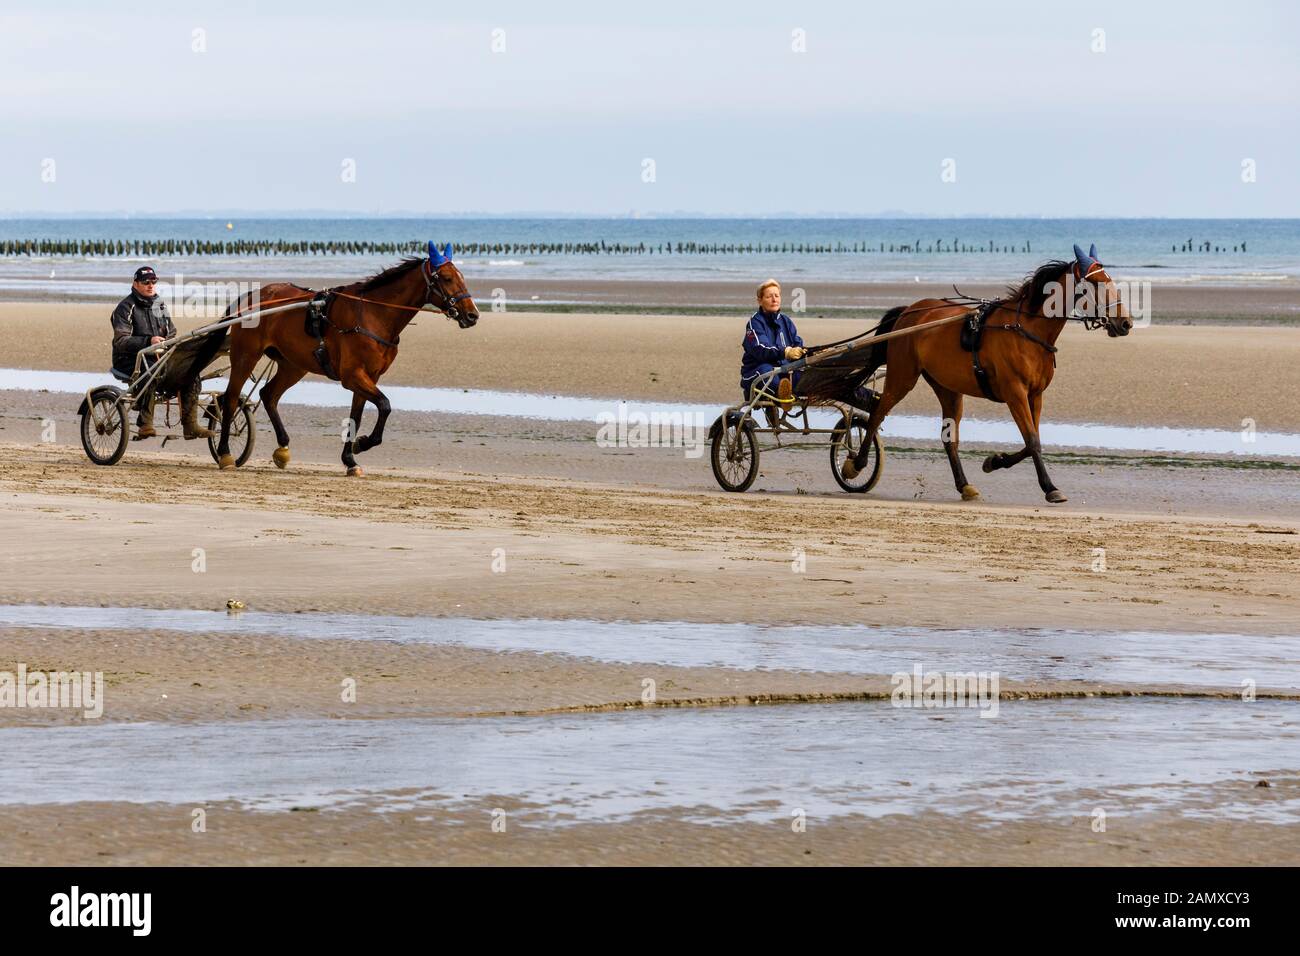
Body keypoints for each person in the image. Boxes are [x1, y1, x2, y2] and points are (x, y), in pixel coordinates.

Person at [110, 266, 212, 440]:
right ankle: (145, 423)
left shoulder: (159, 304)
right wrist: (148, 341)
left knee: (191, 373)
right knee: (152, 370)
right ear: (135, 284)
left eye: (153, 282)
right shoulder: (125, 307)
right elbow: (120, 342)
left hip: (158, 356)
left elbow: (171, 331)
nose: (150, 286)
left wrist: (166, 342)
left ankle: (191, 426)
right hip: (128, 359)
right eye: (146, 282)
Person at [740, 278, 804, 401]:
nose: (774, 299)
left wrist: (803, 351)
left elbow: (798, 344)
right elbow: (760, 350)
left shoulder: (786, 321)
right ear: (760, 300)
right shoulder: (754, 323)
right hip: (756, 372)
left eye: (777, 296)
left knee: (804, 373)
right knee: (768, 372)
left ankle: (786, 393)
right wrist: (785, 352)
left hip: (784, 372)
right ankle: (782, 394)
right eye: (769, 296)